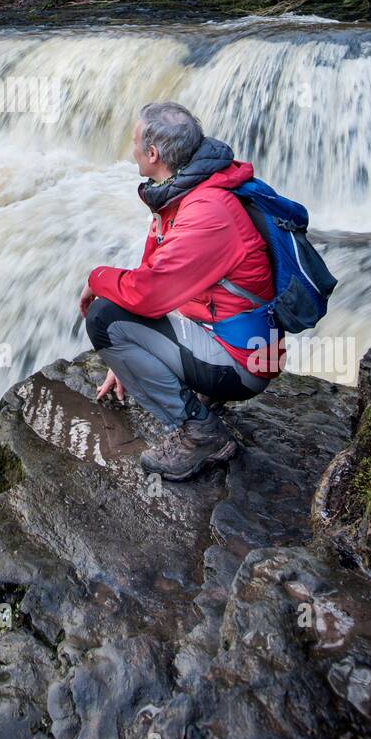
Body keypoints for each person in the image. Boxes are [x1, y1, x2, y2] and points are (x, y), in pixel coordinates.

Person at [78, 101, 284, 482]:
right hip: (225, 334)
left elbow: (148, 294)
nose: (131, 149)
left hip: (244, 363)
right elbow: (151, 275)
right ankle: (203, 397)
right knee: (117, 317)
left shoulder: (206, 211)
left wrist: (95, 278)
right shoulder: (183, 194)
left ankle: (202, 434)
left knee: (103, 318)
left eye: (135, 142)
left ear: (153, 154)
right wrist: (126, 361)